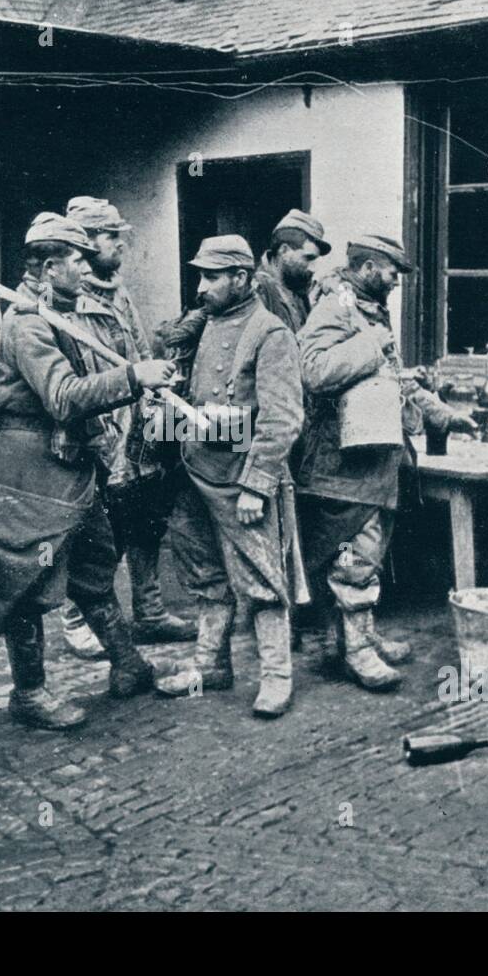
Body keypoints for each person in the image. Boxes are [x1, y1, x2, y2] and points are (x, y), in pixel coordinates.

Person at [0, 213, 177, 731]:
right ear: (45, 267)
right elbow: (62, 398)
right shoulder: (27, 323)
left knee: (93, 564)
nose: (85, 267)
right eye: (75, 259)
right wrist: (132, 377)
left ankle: (128, 664)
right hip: (29, 473)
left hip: (71, 469)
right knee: (26, 582)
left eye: (86, 256)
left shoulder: (61, 314)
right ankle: (30, 693)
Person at [295, 236, 475, 690]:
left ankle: (364, 637)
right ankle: (354, 650)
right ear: (370, 267)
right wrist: (371, 346)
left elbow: (393, 378)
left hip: (374, 459)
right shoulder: (334, 307)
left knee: (369, 554)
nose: (397, 281)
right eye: (392, 271)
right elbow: (312, 371)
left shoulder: (370, 310)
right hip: (340, 464)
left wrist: (446, 416)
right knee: (354, 557)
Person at [156, 235, 306, 717]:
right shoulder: (205, 325)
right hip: (196, 472)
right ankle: (210, 665)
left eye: (211, 277)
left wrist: (256, 485)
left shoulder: (270, 333)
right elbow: (204, 407)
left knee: (262, 580)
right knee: (204, 573)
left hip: (241, 480)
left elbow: (282, 419)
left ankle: (277, 676)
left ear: (241, 278)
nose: (200, 287)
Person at [55, 196, 195, 661]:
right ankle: (78, 618)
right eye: (112, 236)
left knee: (147, 518)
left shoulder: (118, 290)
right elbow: (78, 382)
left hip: (140, 429)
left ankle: (150, 610)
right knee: (102, 532)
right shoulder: (70, 303)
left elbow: (135, 353)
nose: (120, 245)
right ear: (88, 241)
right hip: (102, 434)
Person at [253, 209, 329, 334]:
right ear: (284, 251)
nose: (313, 268)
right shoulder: (258, 291)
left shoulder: (297, 289)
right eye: (308, 258)